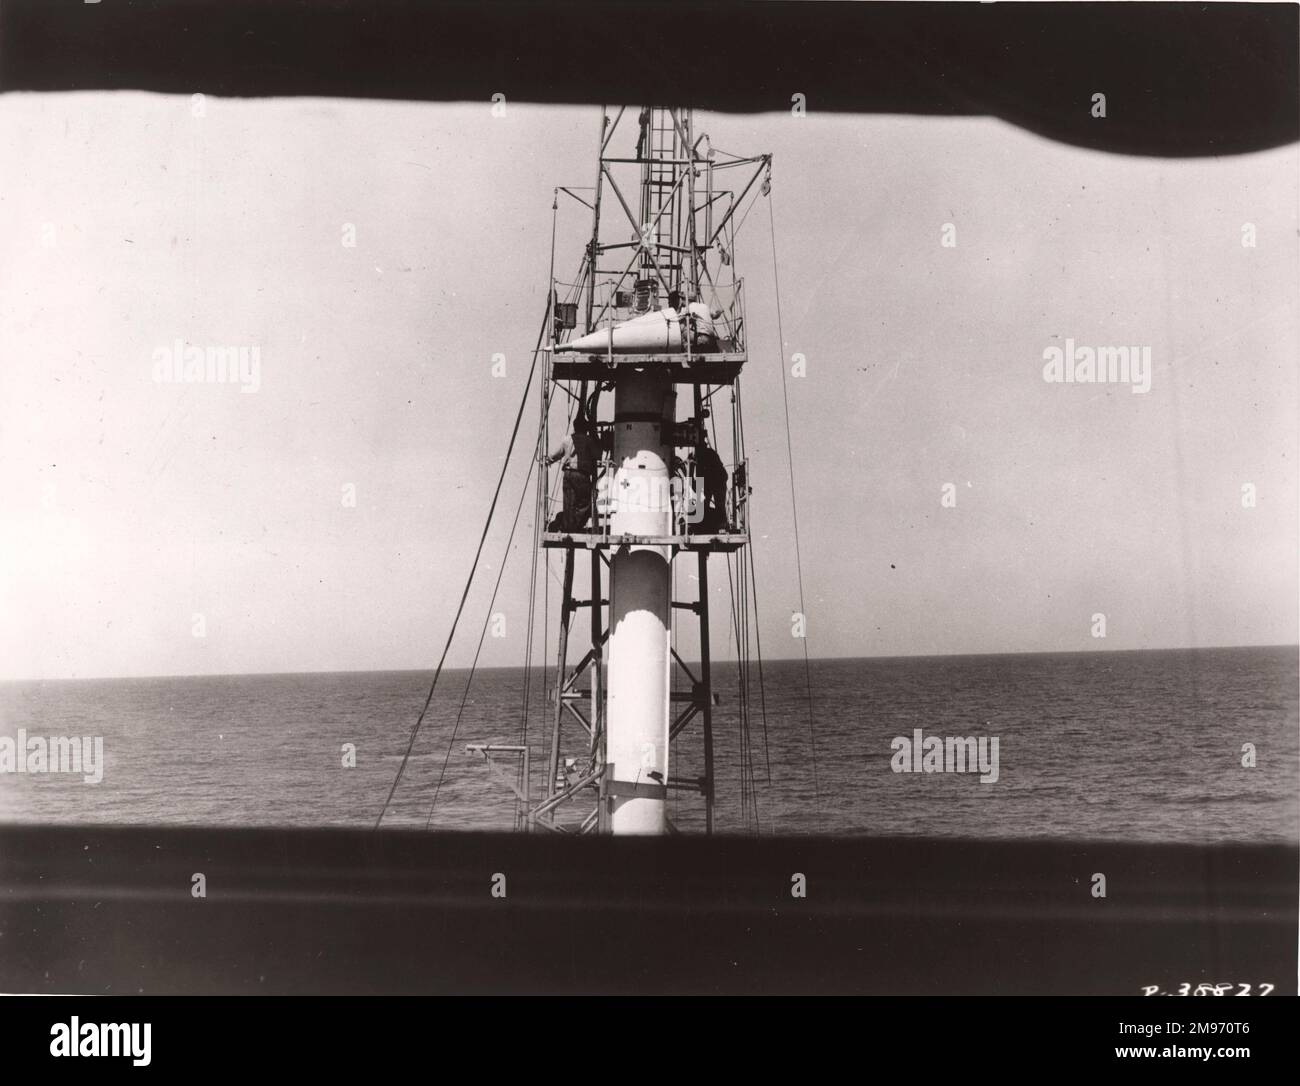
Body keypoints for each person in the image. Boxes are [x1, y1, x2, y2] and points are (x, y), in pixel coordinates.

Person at [543, 417, 600, 532]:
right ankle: (574, 526)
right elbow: (598, 454)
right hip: (581, 475)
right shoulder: (588, 440)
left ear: (575, 427)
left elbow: (558, 453)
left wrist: (548, 460)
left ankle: (566, 527)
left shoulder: (567, 439)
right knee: (586, 502)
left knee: (569, 503)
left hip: (568, 475)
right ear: (586, 428)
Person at [695, 432, 728, 533]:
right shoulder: (705, 454)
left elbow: (704, 472)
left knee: (719, 503)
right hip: (710, 480)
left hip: (717, 480)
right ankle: (703, 524)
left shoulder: (706, 454)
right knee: (707, 503)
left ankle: (719, 525)